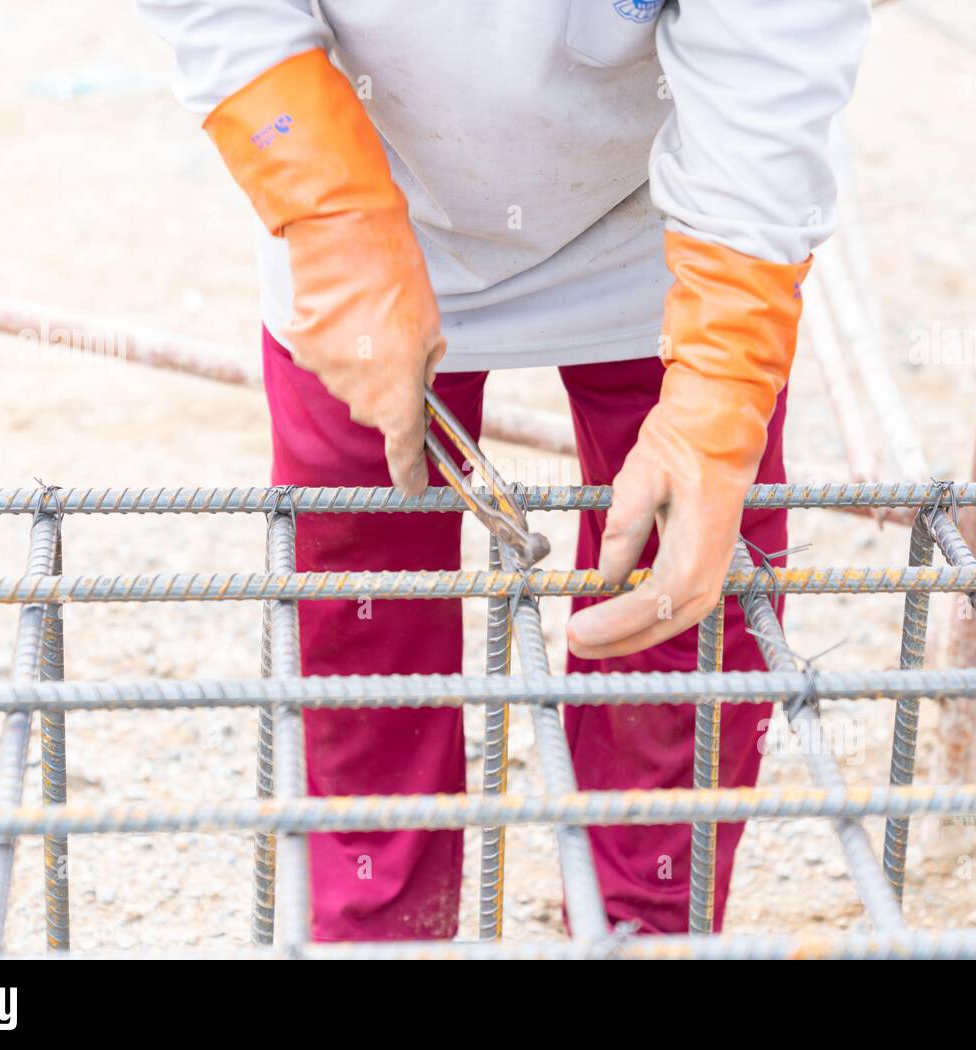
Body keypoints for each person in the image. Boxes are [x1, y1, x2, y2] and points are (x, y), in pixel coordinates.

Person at [139, 0, 869, 940]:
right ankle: (381, 923)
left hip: (656, 214)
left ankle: (644, 923)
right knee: (359, 576)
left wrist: (723, 372)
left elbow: (773, 47)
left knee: (687, 573)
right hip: (364, 181)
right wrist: (332, 222)